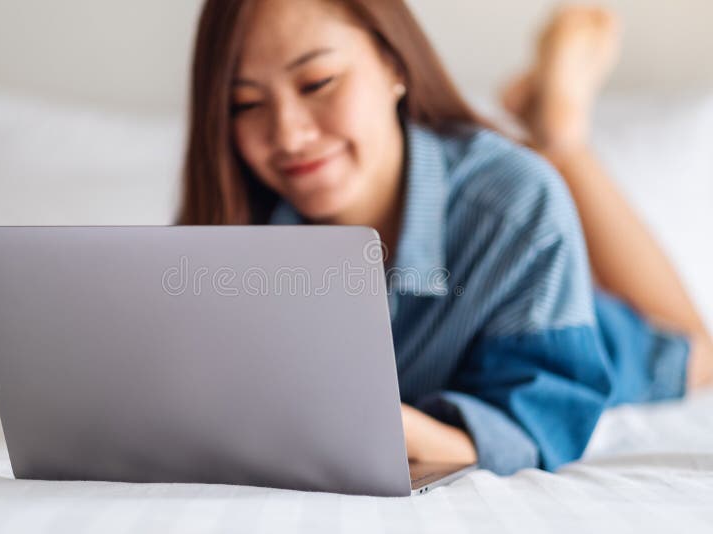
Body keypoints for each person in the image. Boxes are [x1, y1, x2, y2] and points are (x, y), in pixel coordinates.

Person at [177, 0, 713, 475]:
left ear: (393, 64)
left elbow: (540, 421)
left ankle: (559, 130)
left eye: (318, 82)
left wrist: (382, 423)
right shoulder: (233, 220)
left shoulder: (510, 201)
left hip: (560, 335)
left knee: (697, 352)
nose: (289, 134)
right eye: (245, 104)